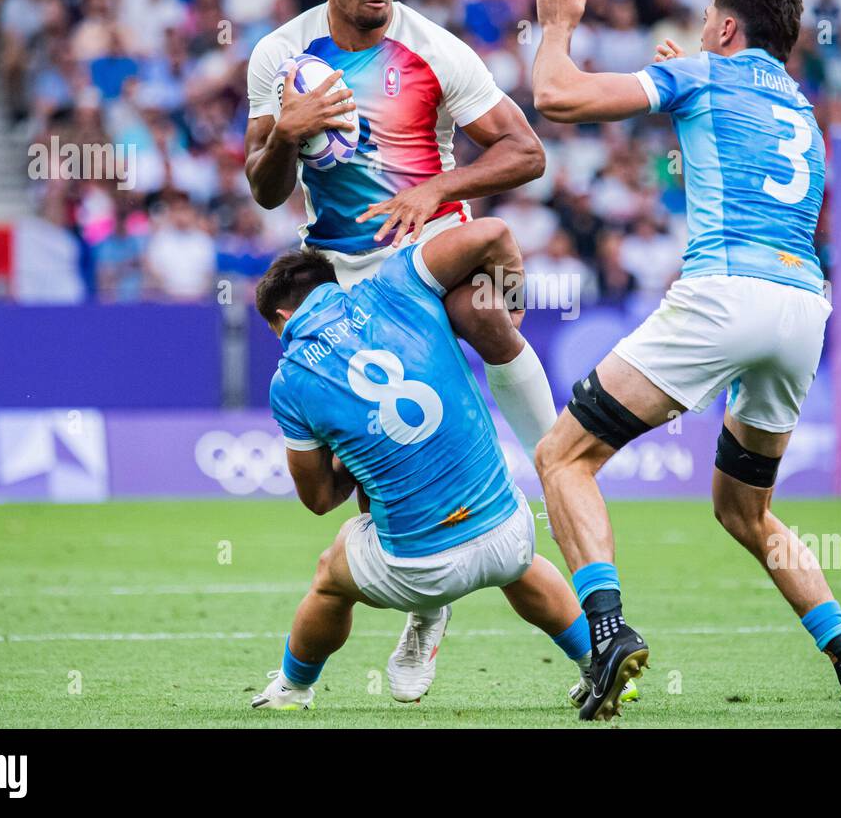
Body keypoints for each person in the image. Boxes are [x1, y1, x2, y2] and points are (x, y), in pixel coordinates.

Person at [529, 0, 841, 720]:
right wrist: (679, 79)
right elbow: (725, 130)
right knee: (746, 510)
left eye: (706, 21)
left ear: (727, 30)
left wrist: (558, 23)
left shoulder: (702, 76)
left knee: (563, 457)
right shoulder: (799, 107)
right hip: (802, 310)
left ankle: (605, 634)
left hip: (725, 295)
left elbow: (556, 96)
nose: (700, 30)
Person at [243, 0, 558, 696]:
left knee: (484, 314)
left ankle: (558, 467)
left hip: (430, 245)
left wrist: (437, 188)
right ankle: (427, 612)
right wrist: (288, 128)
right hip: (345, 272)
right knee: (386, 446)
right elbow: (265, 189)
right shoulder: (279, 58)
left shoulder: (438, 51)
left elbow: (525, 154)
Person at [248, 218, 629, 711]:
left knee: (330, 573)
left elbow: (318, 500)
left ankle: (293, 689)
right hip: (509, 529)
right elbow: (493, 232)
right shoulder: (396, 281)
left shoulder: (289, 380)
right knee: (517, 564)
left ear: (282, 315)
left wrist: (356, 446)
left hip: (416, 571)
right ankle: (599, 662)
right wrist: (512, 306)